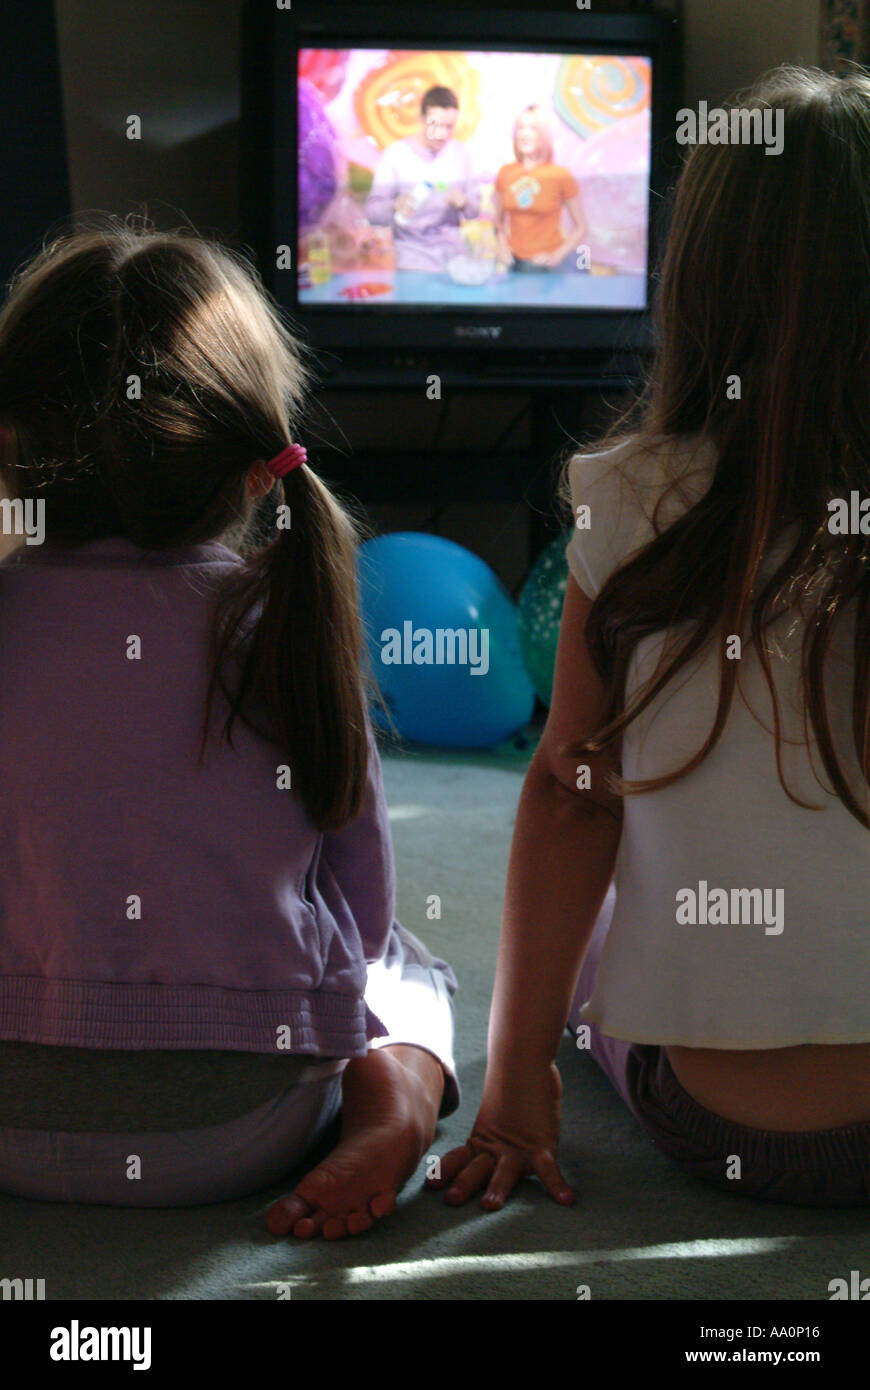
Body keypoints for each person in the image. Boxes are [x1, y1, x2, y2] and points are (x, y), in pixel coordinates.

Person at [428, 65, 870, 1213]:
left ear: (699, 282)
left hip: (725, 1122)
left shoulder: (623, 499)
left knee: (606, 929)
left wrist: (515, 1082)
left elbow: (570, 795)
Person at [0, 217, 458, 1240]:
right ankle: (403, 1097)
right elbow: (368, 912)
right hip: (242, 1127)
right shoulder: (282, 618)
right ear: (256, 462)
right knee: (410, 965)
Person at [365, 84, 479, 272]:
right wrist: (394, 205)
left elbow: (474, 212)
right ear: (421, 119)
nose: (442, 134)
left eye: (449, 126)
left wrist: (465, 203)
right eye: (435, 124)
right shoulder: (395, 155)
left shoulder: (461, 154)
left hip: (455, 261)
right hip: (411, 260)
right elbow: (373, 214)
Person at [493, 105, 587, 271]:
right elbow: (498, 221)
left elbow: (581, 226)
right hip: (515, 265)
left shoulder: (560, 175)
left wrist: (556, 256)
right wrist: (502, 246)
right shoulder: (505, 172)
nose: (525, 133)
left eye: (533, 128)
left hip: (549, 267)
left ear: (543, 135)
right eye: (521, 128)